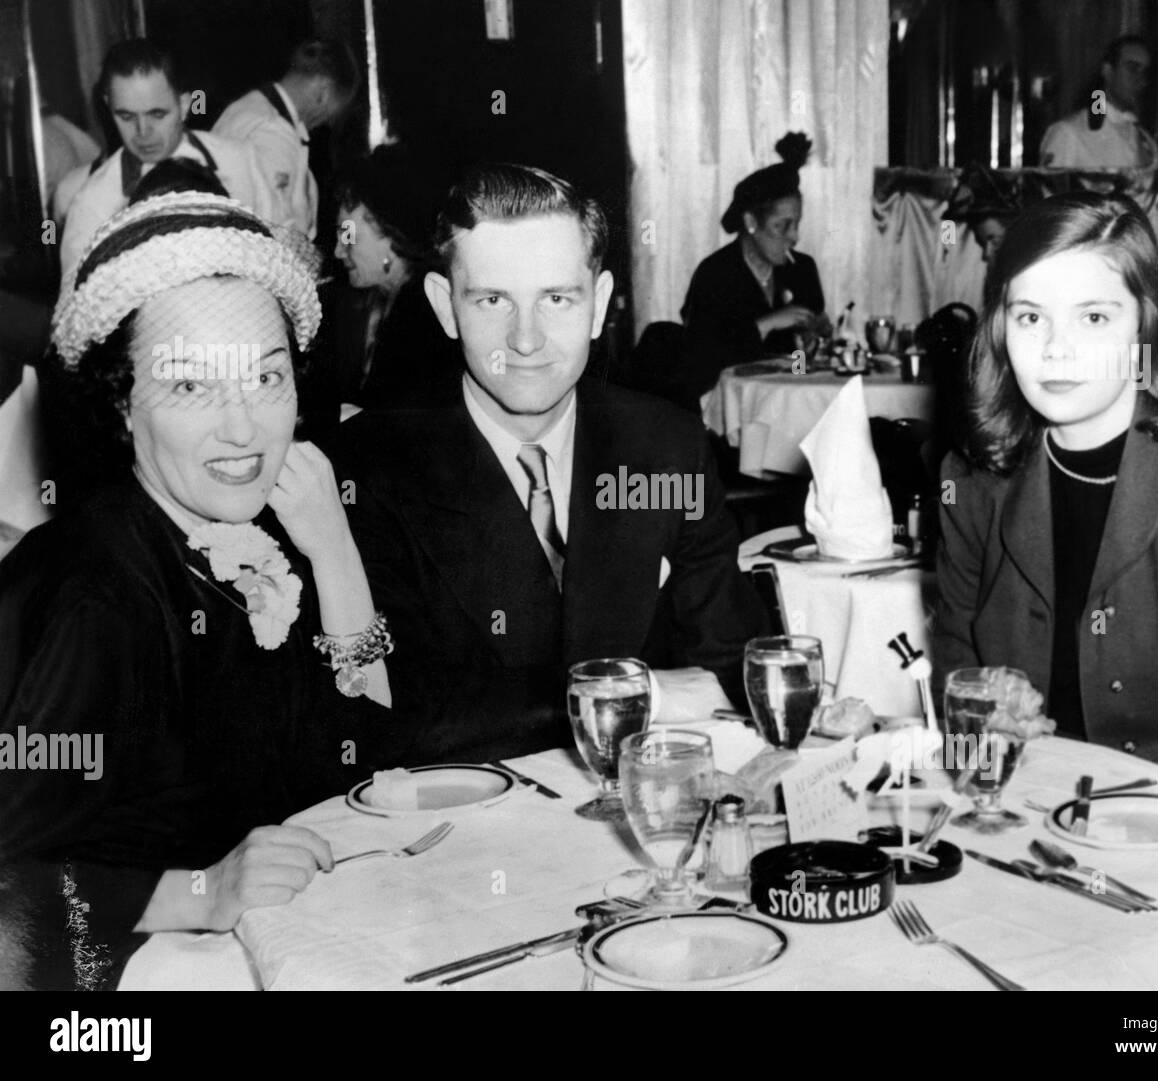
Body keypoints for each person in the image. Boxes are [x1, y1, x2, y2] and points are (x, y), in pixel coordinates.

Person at [0, 191, 422, 990]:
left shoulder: (248, 539)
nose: (243, 429)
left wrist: (333, 549)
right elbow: (9, 885)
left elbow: (368, 752)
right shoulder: (100, 597)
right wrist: (202, 889)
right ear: (123, 402)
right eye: (192, 387)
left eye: (266, 378)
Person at [332, 163, 769, 763]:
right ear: (443, 306)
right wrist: (634, 694)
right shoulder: (371, 468)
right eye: (492, 300)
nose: (527, 340)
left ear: (600, 305)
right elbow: (391, 715)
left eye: (557, 299)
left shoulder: (663, 448)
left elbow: (730, 660)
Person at [934, 192, 1158, 833]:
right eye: (1029, 318)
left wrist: (1094, 820)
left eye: (1094, 318)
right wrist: (983, 734)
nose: (1055, 349)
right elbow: (955, 670)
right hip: (1019, 819)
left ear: (1145, 329)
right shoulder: (971, 480)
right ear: (1000, 329)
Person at [59, 39, 282, 280]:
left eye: (157, 114)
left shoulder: (241, 162)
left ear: (184, 105)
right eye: (126, 116)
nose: (143, 131)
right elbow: (74, 308)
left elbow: (281, 256)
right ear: (108, 105)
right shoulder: (92, 203)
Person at [681, 132, 830, 394]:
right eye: (782, 226)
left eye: (796, 224)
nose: (795, 237)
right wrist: (767, 324)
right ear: (750, 223)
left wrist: (815, 338)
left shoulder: (802, 270)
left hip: (792, 399)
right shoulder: (714, 274)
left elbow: (804, 360)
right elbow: (700, 359)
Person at [331, 144, 463, 410]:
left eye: (348, 236)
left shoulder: (425, 311)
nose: (337, 251)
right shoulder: (371, 302)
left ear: (390, 235)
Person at [213, 38, 358, 241]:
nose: (323, 122)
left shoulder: (246, 109)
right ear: (323, 92)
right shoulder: (272, 129)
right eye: (330, 114)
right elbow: (277, 230)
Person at [1040, 36, 1158, 170]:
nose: (1140, 79)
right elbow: (1051, 189)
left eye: (1145, 72)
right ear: (1108, 71)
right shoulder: (1068, 133)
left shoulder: (1146, 142)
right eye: (1132, 69)